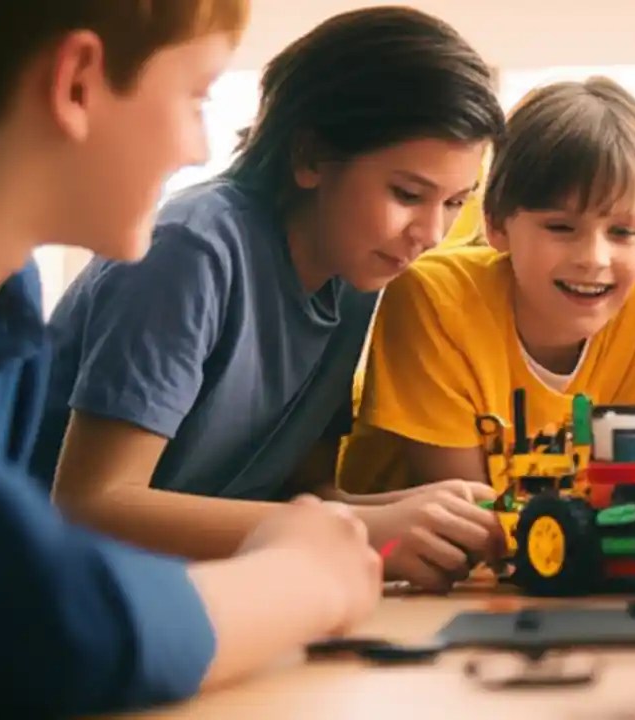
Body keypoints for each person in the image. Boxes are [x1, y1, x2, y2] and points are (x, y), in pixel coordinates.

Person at [0, 2, 384, 714]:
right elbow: (43, 624)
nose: (199, 149)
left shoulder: (2, 297)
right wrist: (302, 579)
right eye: (196, 97)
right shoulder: (200, 241)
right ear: (77, 83)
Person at [33, 7, 507, 592]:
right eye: (408, 193)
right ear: (309, 157)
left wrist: (420, 514)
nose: (431, 233)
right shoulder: (192, 250)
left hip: (179, 595)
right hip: (45, 600)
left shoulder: (357, 276)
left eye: (456, 202)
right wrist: (363, 527)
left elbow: (301, 498)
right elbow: (89, 504)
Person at [337, 78, 635, 494]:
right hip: (412, 551)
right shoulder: (434, 297)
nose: (594, 258)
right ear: (495, 224)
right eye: (561, 227)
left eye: (623, 232)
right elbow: (471, 513)